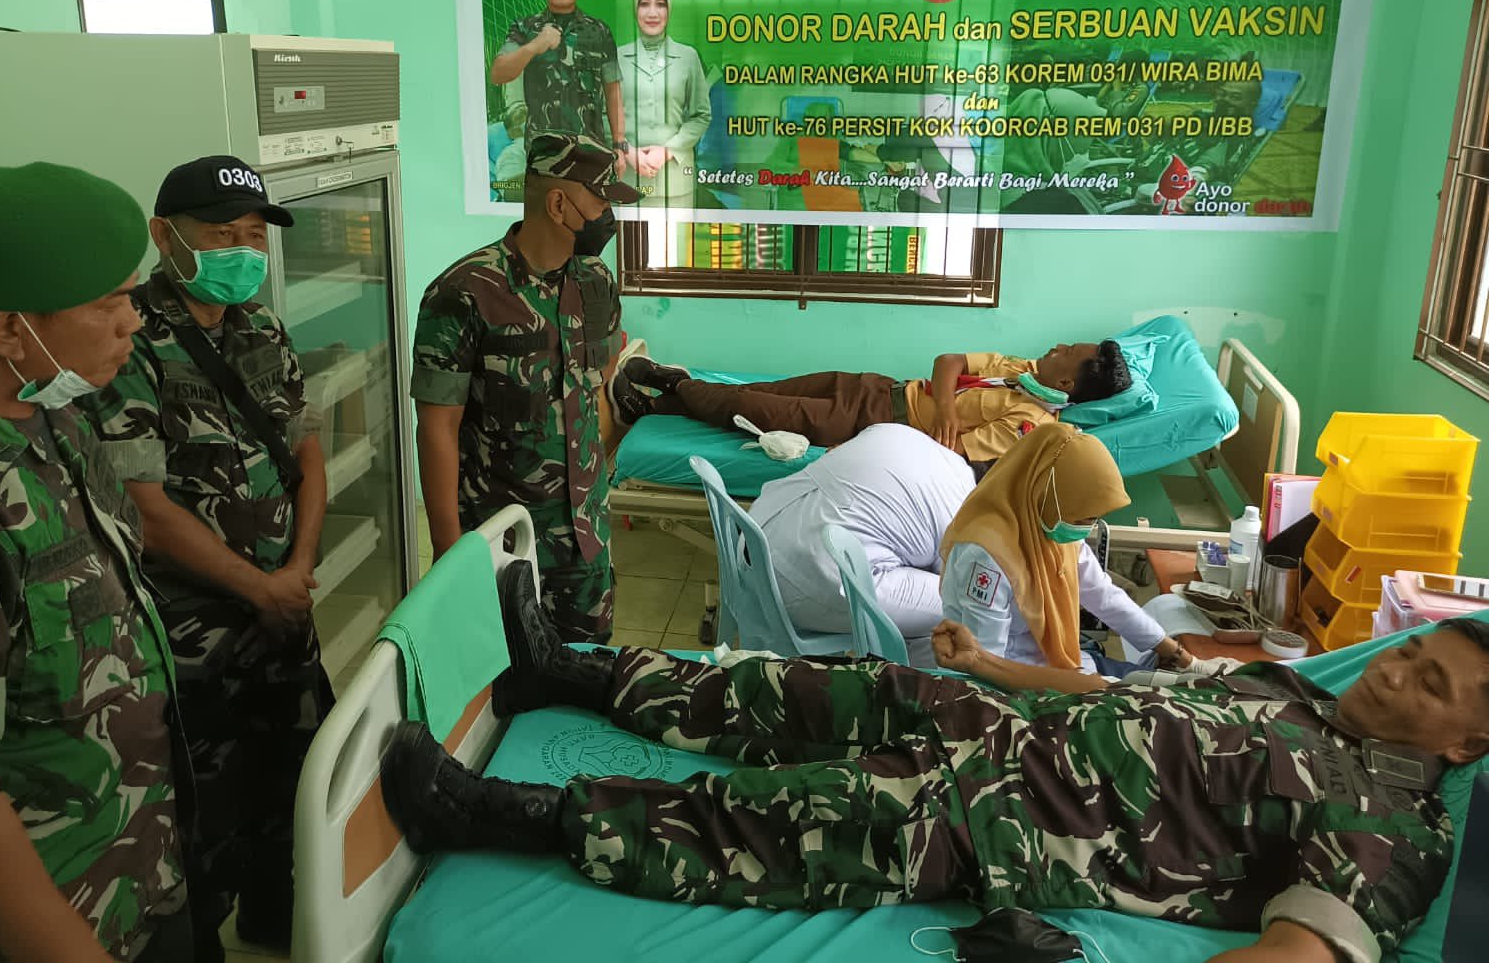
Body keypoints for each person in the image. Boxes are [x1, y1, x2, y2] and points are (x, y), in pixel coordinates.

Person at [382, 563, 1489, 963]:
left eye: (1429, 689)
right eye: (1413, 661)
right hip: (996, 727)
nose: (1393, 678)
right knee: (791, 683)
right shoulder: (1297, 689)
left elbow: (1303, 955)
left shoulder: (1396, 827)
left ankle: (488, 814)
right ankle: (562, 674)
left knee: (770, 819)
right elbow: (1125, 692)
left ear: (1466, 746)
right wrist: (999, 674)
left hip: (1006, 824)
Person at [0, 162, 189, 962]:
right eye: (108, 303)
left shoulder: (50, 411)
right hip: (37, 926)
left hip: (136, 869)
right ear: (8, 331)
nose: (134, 321)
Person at [83, 155, 333, 962]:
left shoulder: (261, 325)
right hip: (188, 632)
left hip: (282, 606)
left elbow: (308, 451)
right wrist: (262, 586)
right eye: (222, 235)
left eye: (254, 236)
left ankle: (277, 914)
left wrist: (295, 569)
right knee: (198, 810)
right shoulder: (129, 344)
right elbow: (146, 512)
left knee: (292, 780)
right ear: (166, 237)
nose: (243, 251)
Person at [412, 133, 639, 643]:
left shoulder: (597, 281)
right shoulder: (464, 292)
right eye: (600, 199)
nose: (607, 214)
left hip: (584, 543)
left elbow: (595, 389)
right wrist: (450, 552)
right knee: (501, 690)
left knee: (584, 677)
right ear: (558, 203)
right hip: (500, 540)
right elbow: (436, 429)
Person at [939, 421, 1191, 677]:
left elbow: (1103, 595)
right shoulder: (987, 558)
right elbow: (986, 664)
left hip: (1061, 661)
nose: (1086, 528)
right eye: (1082, 519)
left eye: (1092, 519)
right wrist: (1081, 686)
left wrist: (1179, 654)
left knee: (1172, 683)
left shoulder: (1049, 525)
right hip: (1020, 682)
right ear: (1045, 494)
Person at [612, 340, 1131, 463]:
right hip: (873, 386)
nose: (1059, 346)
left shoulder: (1030, 421)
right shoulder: (1020, 370)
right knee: (764, 393)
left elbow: (952, 454)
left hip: (867, 422)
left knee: (757, 407)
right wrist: (948, 408)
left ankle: (668, 386)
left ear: (1069, 386)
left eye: (1069, 353)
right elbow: (948, 361)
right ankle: (658, 407)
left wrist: (942, 416)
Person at [750, 423, 976, 667]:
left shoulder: (905, 435)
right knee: (966, 610)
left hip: (756, 531)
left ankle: (895, 668)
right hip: (799, 578)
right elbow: (963, 588)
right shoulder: (968, 517)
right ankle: (906, 683)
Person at [490, 0, 627, 152]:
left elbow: (612, 88)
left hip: (591, 150)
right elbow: (498, 74)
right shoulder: (524, 27)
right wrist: (534, 46)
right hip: (542, 152)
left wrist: (619, 144)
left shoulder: (599, 31)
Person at [617, 0, 712, 208]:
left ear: (669, 10)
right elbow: (602, 116)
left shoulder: (688, 57)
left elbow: (701, 115)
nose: (652, 13)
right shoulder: (616, 57)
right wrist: (628, 152)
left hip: (676, 183)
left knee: (676, 246)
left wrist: (668, 150)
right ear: (634, 9)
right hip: (627, 181)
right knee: (630, 245)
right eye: (644, 3)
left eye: (660, 4)